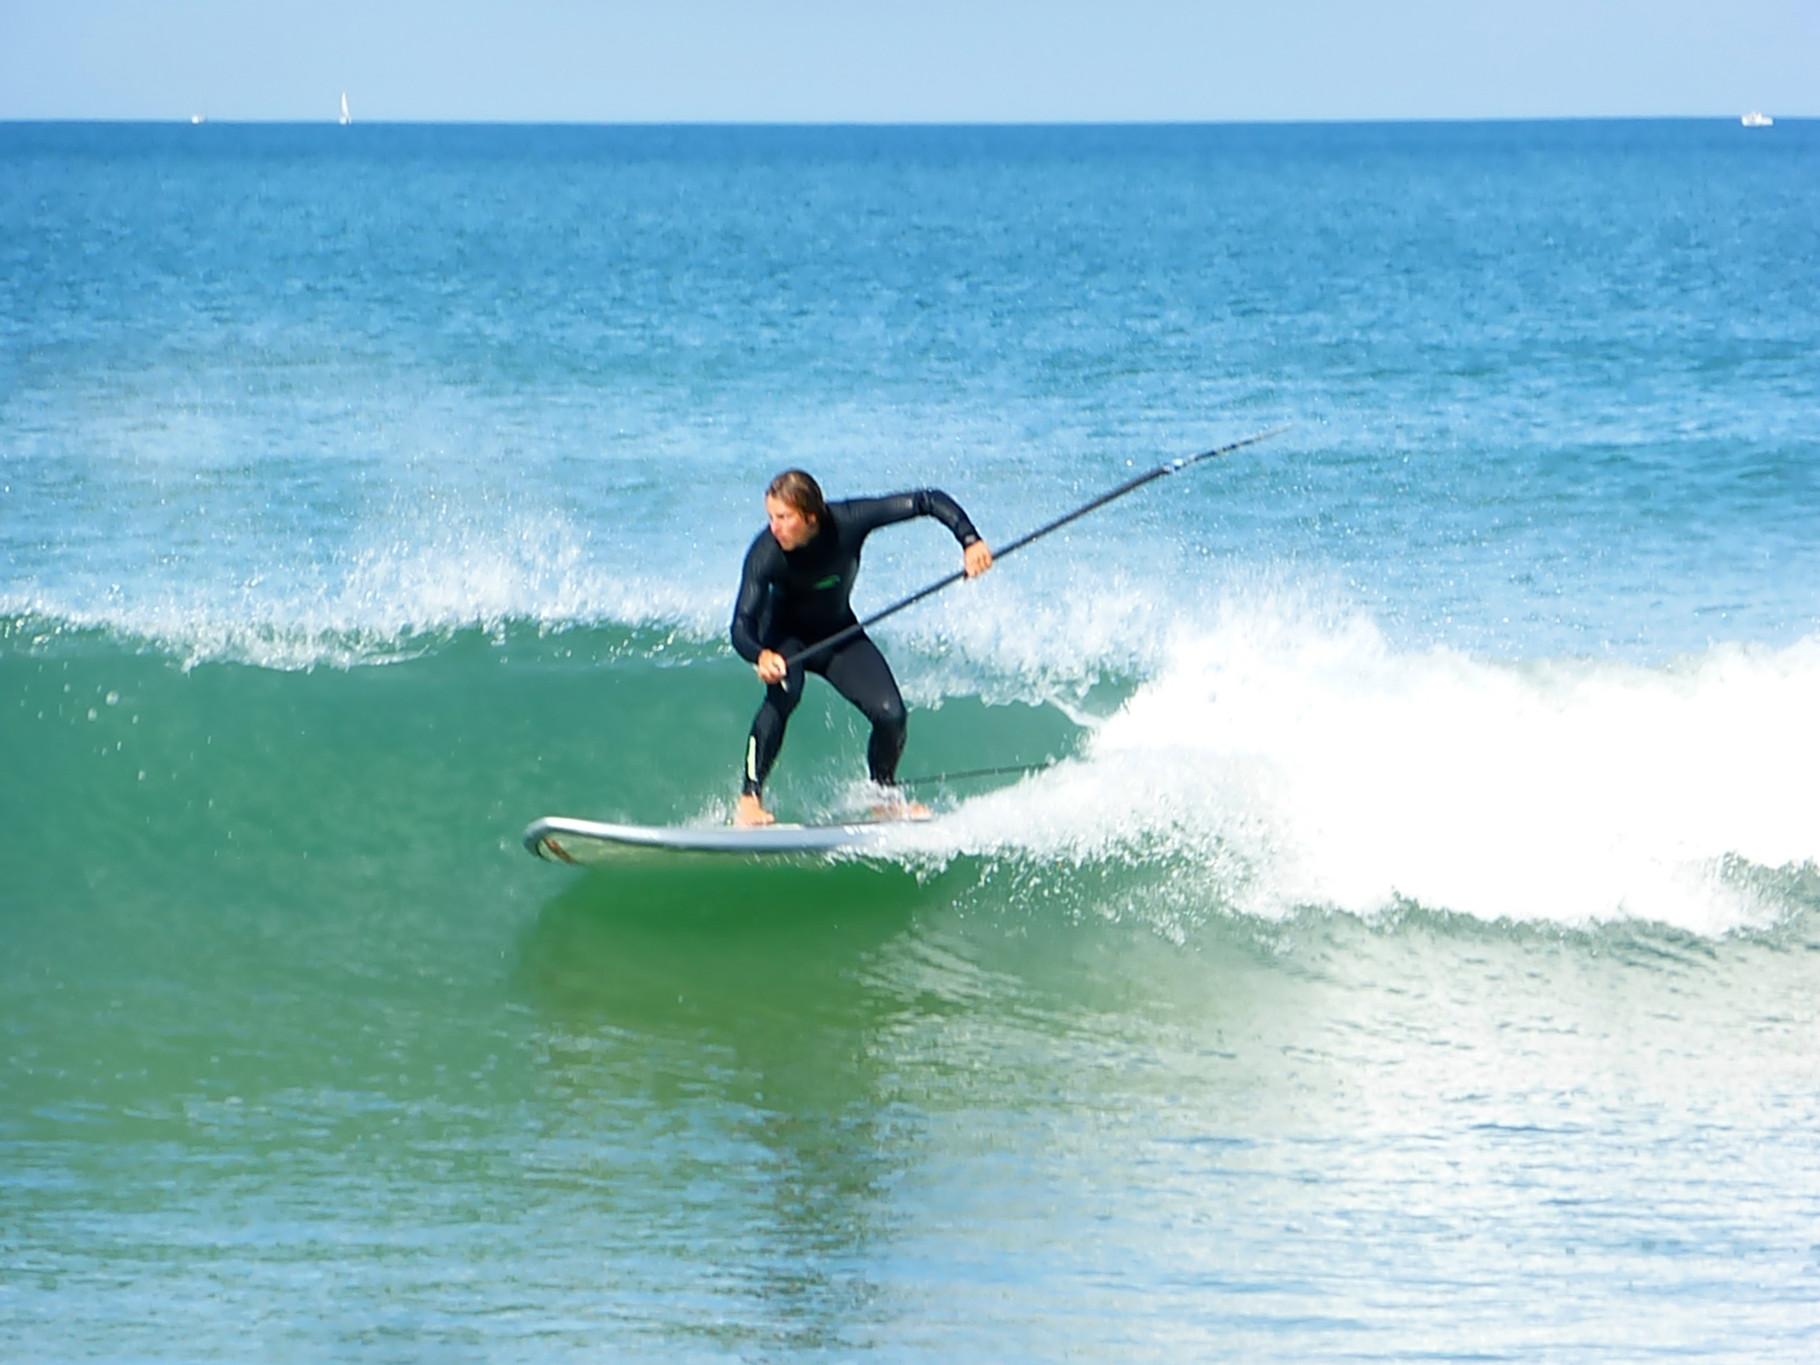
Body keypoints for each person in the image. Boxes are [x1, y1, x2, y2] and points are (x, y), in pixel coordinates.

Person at [730, 469, 993, 826]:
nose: (773, 527)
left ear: (811, 516)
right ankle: (750, 798)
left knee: (891, 715)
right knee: (785, 693)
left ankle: (883, 799)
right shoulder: (766, 553)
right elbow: (741, 624)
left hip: (838, 633)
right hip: (784, 639)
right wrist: (761, 654)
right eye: (770, 517)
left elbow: (927, 500)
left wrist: (970, 540)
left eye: (783, 518)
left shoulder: (850, 520)